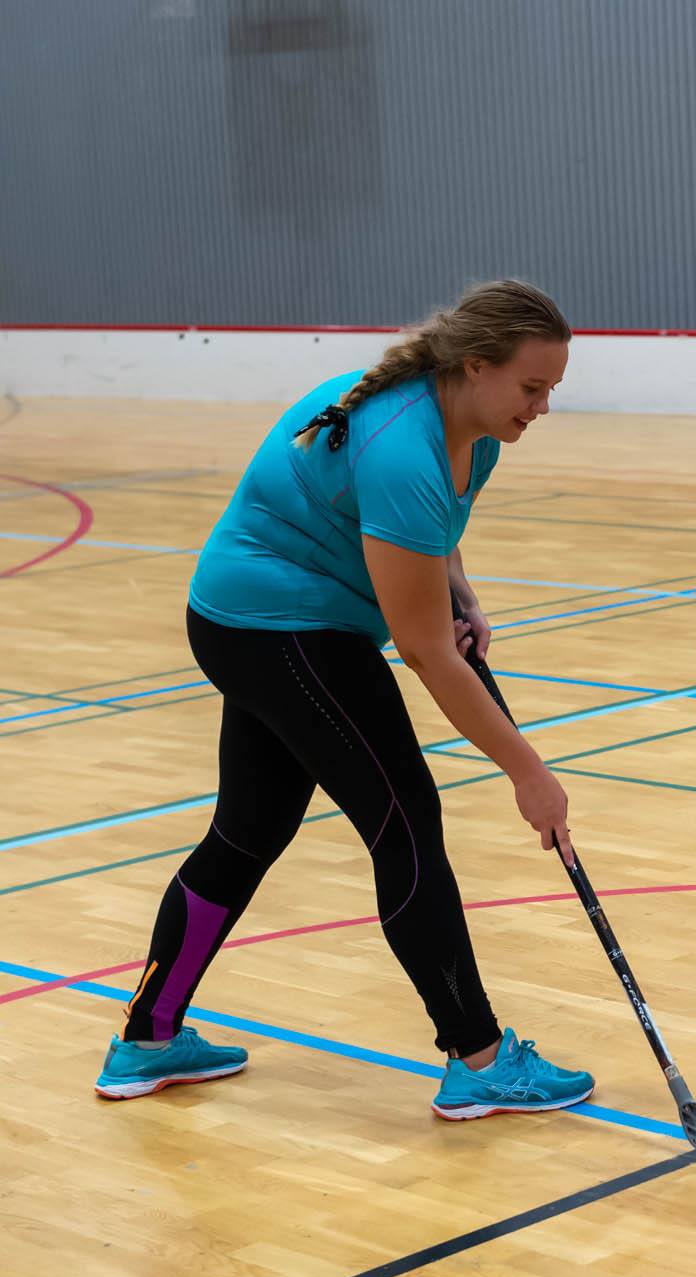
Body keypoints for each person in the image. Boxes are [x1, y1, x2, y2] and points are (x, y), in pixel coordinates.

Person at [95, 281, 595, 1122]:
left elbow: (432, 535)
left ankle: (146, 1043)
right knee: (404, 818)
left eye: (553, 389)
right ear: (475, 367)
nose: (542, 407)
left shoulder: (471, 425)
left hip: (255, 620)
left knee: (248, 831)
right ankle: (477, 1059)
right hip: (281, 628)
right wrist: (529, 774)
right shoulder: (400, 443)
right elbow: (428, 654)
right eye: (531, 388)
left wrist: (459, 589)